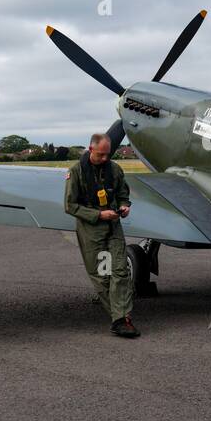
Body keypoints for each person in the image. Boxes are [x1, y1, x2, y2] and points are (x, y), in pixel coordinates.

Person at [64, 133, 140, 338]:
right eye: (101, 155)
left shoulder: (114, 169)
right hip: (91, 229)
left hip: (113, 226)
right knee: (101, 274)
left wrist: (124, 206)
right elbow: (70, 206)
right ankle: (118, 315)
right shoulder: (76, 172)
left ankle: (122, 318)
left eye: (108, 154)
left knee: (121, 271)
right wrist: (98, 214)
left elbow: (123, 194)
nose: (105, 159)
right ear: (91, 150)